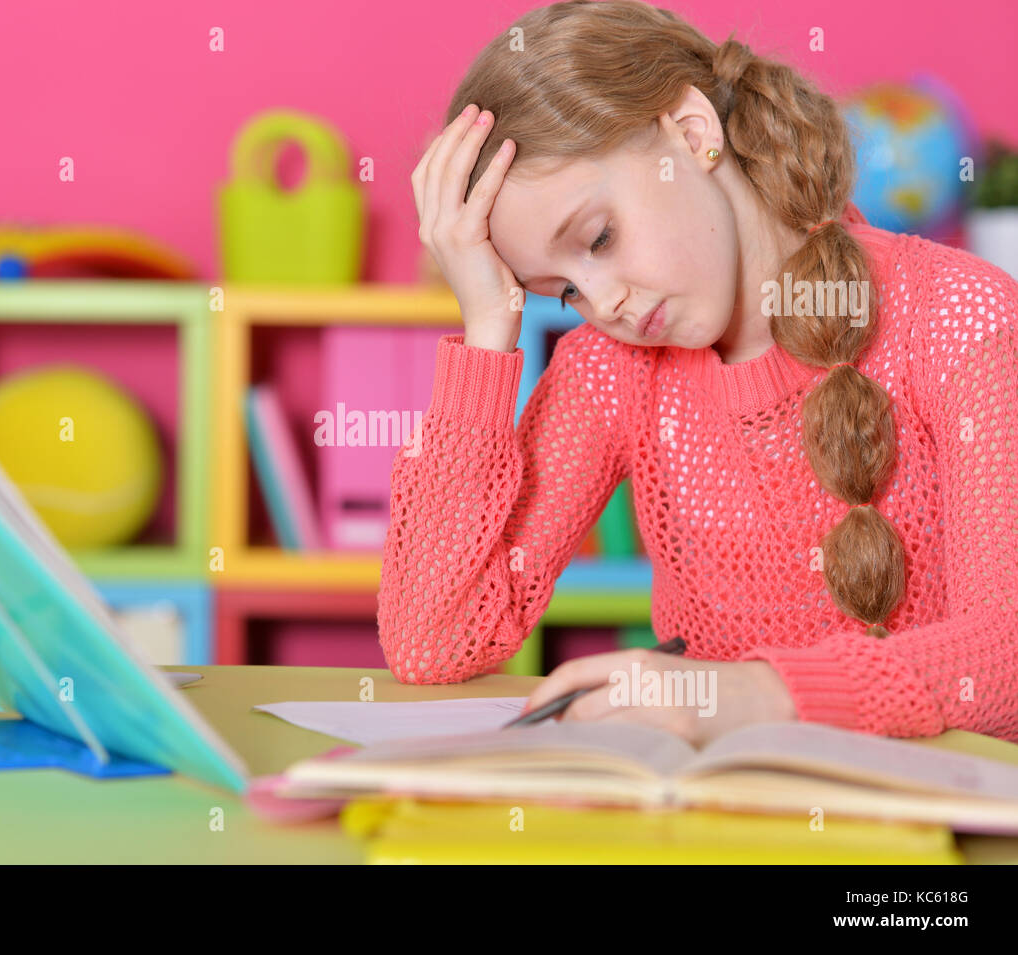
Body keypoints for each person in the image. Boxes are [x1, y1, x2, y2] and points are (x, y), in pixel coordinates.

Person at [379, 0, 1018, 744]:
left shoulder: (956, 316)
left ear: (691, 132)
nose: (605, 300)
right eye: (565, 292)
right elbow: (432, 642)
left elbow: (1005, 657)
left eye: (600, 236)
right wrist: (488, 332)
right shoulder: (612, 368)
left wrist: (757, 693)